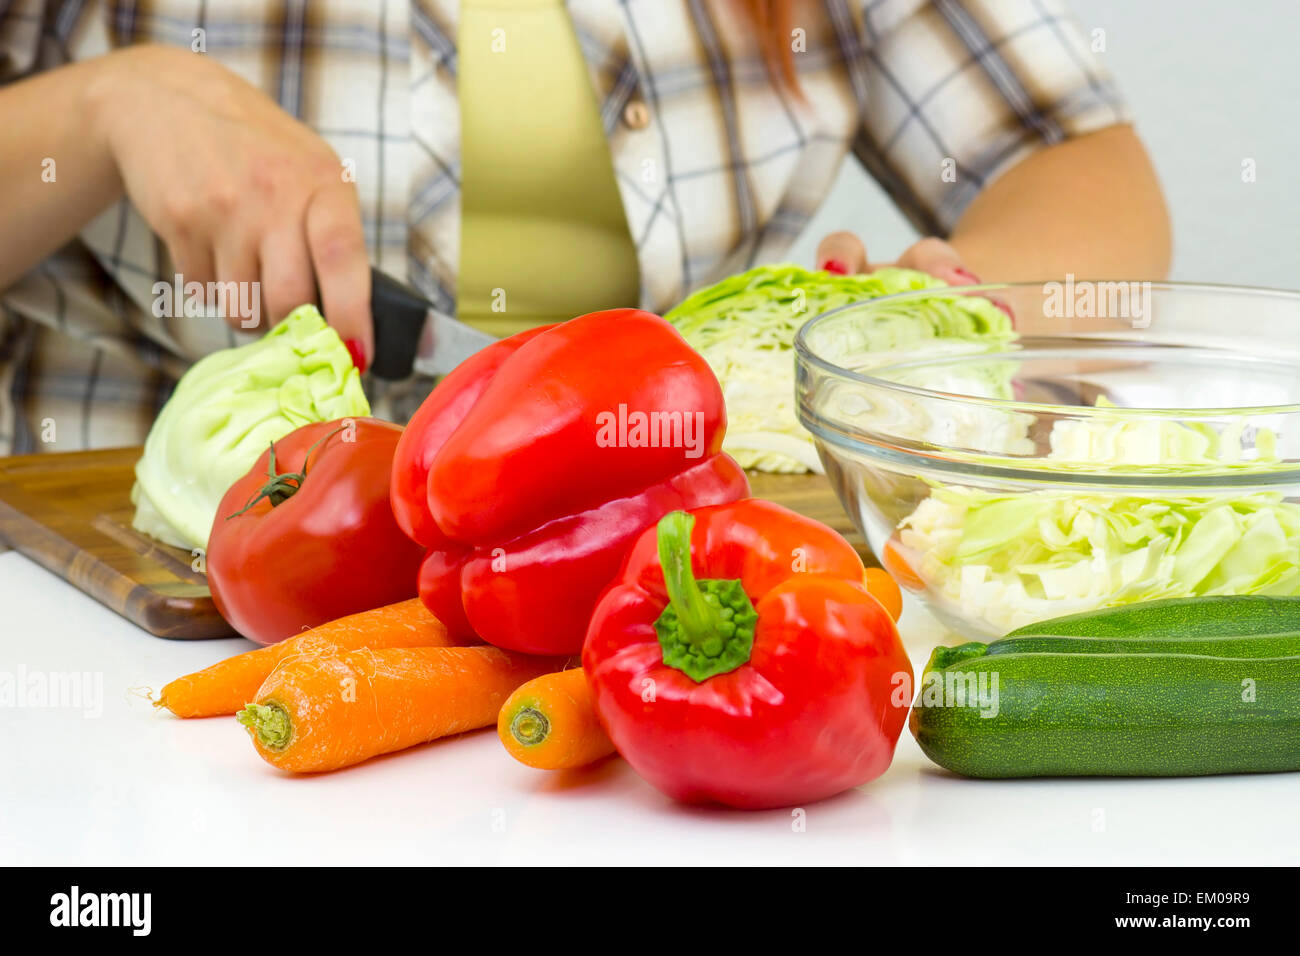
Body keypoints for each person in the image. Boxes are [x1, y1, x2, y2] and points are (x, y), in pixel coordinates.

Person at [0, 0, 1169, 453]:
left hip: (665, 595)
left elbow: (1071, 160)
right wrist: (104, 105)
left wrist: (955, 311)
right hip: (141, 618)